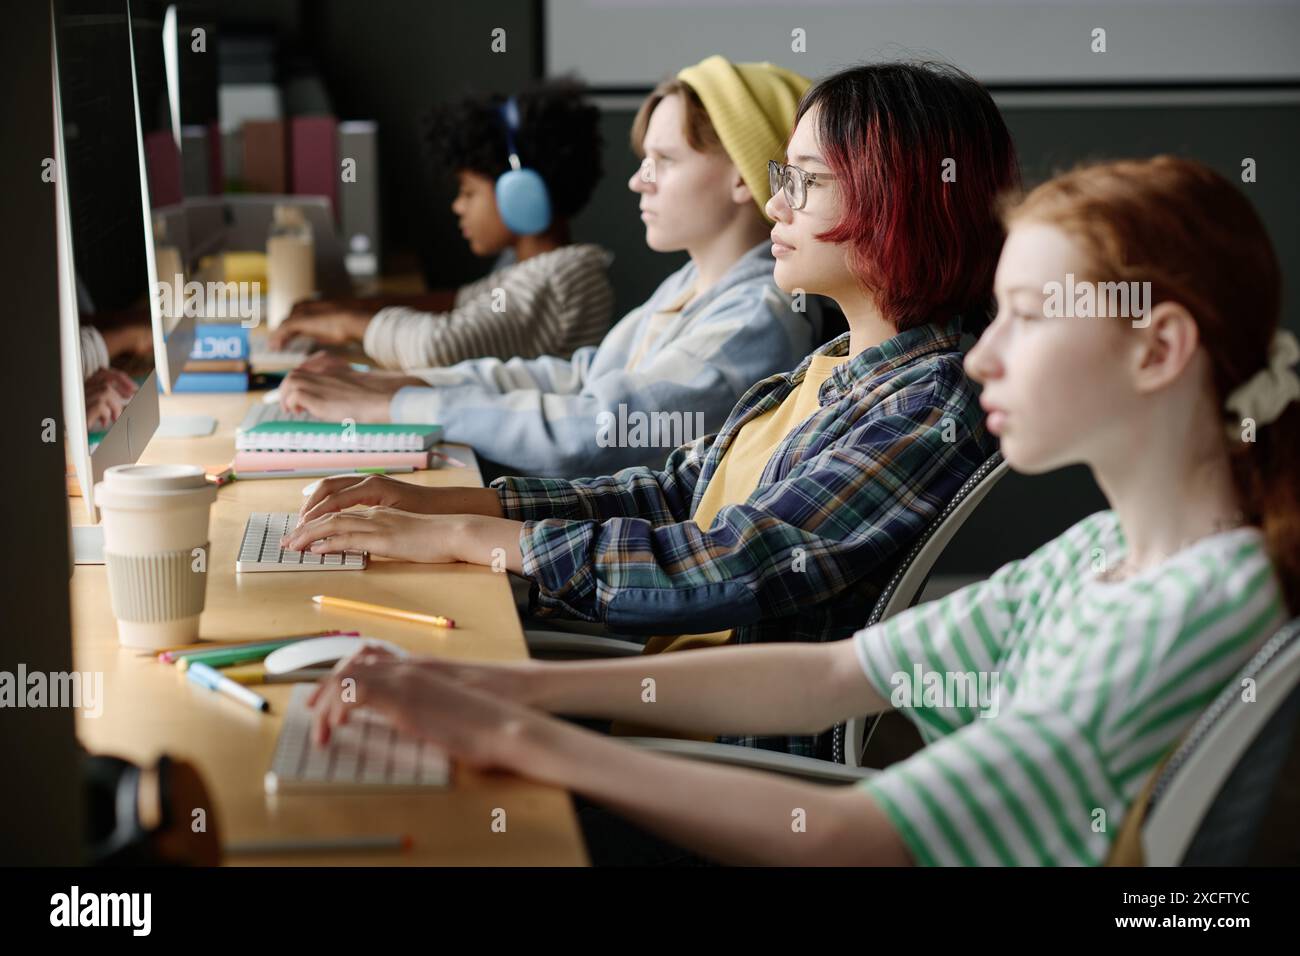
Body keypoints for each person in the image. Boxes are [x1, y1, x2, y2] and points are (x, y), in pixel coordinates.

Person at [304, 156, 1298, 866]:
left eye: (1028, 317)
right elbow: (832, 673)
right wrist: (494, 689)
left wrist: (519, 737)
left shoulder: (1192, 603)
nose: (985, 354)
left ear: (1157, 350)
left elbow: (848, 834)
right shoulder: (1107, 551)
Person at [283, 61, 1019, 761]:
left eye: (809, 182)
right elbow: (670, 493)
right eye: (782, 178)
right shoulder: (827, 369)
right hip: (657, 715)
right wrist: (458, 506)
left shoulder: (928, 401)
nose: (776, 203)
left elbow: (729, 562)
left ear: (902, 203)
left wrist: (467, 535)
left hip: (722, 764)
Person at [274, 56, 821, 478]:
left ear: (746, 175)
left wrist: (403, 403)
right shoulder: (693, 284)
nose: (638, 181)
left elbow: (591, 432)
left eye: (666, 161)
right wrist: (401, 383)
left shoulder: (755, 321)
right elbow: (584, 376)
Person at [268, 79, 614, 371]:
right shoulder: (539, 270)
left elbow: (440, 345)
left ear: (518, 193)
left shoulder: (559, 281)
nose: (458, 206)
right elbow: (458, 303)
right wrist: (347, 306)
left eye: (468, 192)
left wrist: (345, 324)